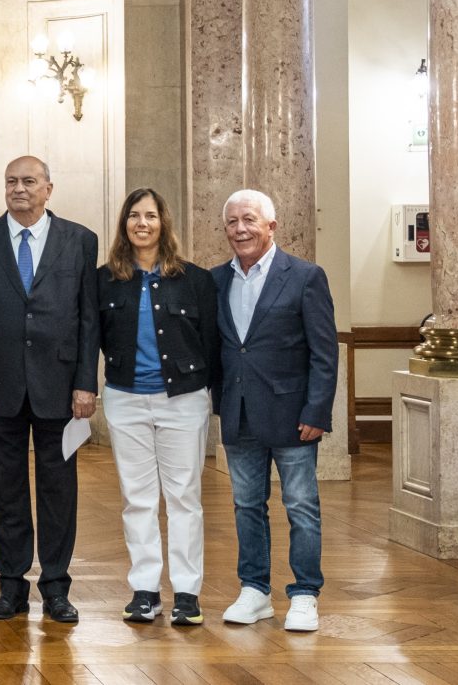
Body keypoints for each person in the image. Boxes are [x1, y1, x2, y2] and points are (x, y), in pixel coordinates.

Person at [0, 155, 99, 623]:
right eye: (12, 181)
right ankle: (11, 587)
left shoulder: (79, 240)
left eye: (29, 181)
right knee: (5, 490)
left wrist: (85, 383)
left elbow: (87, 319)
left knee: (59, 492)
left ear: (48, 189)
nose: (19, 188)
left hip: (60, 388)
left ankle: (56, 588)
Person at [212, 189, 337, 633]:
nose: (240, 229)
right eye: (231, 222)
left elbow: (324, 353)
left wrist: (317, 411)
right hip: (239, 413)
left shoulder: (304, 277)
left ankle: (304, 594)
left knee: (301, 506)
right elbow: (217, 350)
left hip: (293, 416)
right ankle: (255, 591)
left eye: (249, 219)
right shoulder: (216, 280)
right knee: (247, 505)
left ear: (271, 226)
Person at [97, 188, 222, 626]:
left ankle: (187, 594)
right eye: (134, 216)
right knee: (137, 497)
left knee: (184, 497)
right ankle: (145, 590)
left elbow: (212, 344)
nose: (142, 223)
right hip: (125, 399)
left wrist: (213, 398)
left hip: (183, 401)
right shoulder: (105, 280)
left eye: (150, 215)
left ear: (164, 222)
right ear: (124, 225)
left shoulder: (195, 280)